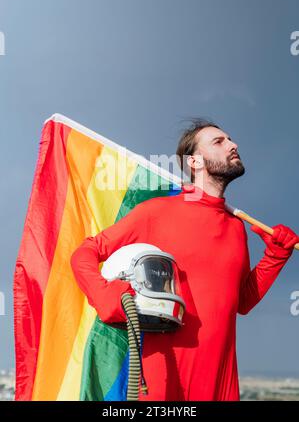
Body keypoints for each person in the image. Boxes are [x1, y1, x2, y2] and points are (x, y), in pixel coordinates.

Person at [70, 118, 299, 401]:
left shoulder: (236, 227)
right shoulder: (156, 212)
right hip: (166, 380)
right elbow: (85, 252)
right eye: (219, 141)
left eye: (230, 139)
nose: (233, 144)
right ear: (195, 162)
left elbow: (243, 301)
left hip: (223, 384)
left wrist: (276, 256)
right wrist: (103, 296)